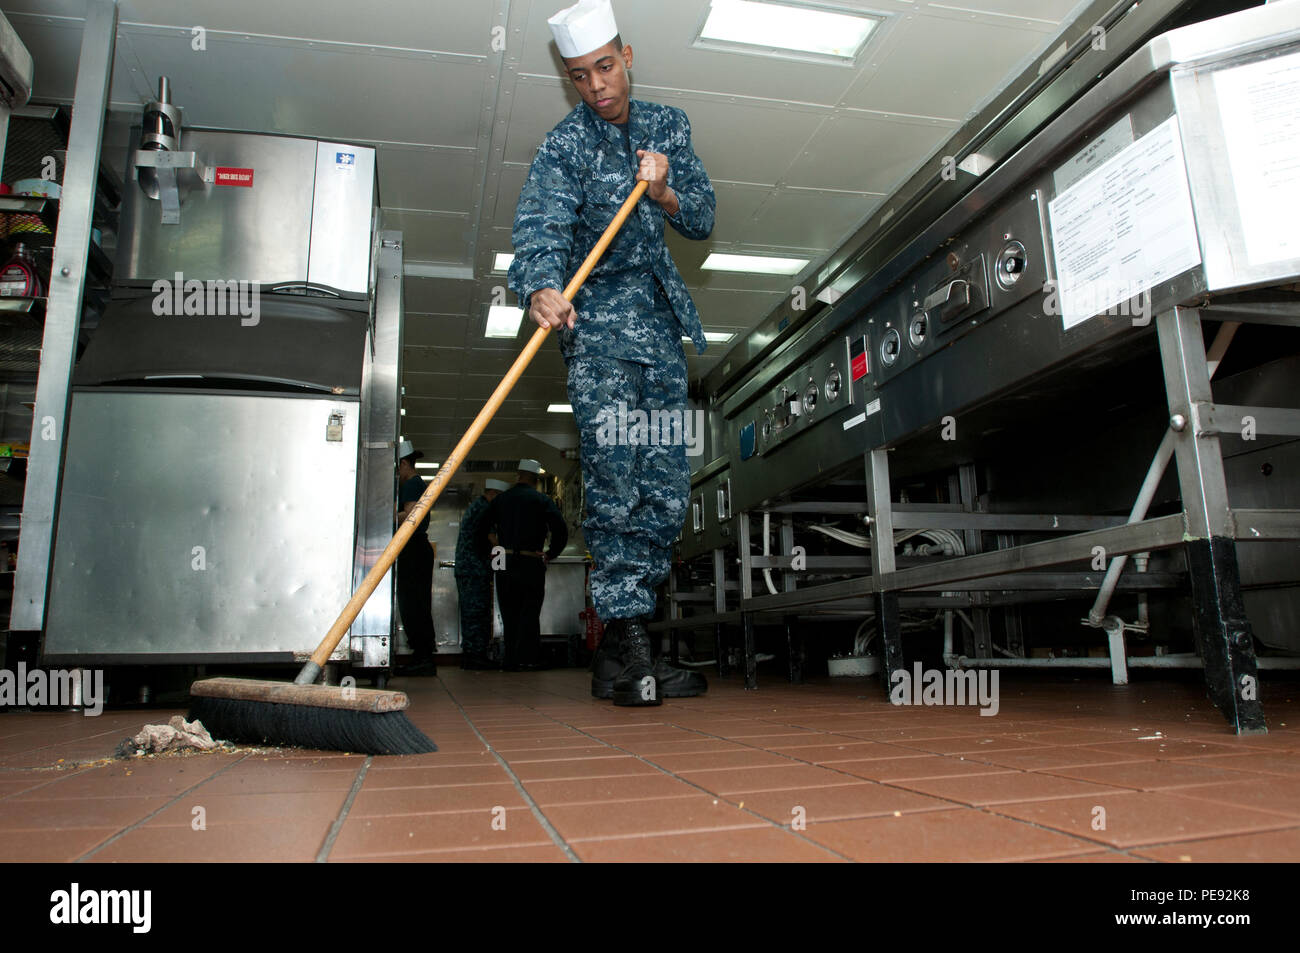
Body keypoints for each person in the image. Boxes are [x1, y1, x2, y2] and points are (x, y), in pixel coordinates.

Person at [509, 0, 707, 705]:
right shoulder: (565, 147)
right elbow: (541, 226)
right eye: (578, 76)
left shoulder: (668, 126)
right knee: (615, 478)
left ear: (627, 57)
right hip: (597, 333)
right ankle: (627, 644)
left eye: (603, 67)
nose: (595, 86)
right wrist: (540, 286)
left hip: (660, 330)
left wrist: (665, 191)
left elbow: (703, 215)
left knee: (665, 484)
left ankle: (627, 644)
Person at [477, 460, 568, 670]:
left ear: (518, 476)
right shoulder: (542, 500)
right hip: (531, 560)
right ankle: (528, 658)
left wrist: (489, 554)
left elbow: (481, 528)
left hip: (504, 559)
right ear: (536, 480)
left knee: (508, 612)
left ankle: (510, 659)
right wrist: (550, 554)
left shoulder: (501, 500)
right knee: (530, 611)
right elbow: (560, 530)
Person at [454, 478, 510, 669]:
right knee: (477, 613)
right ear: (493, 494)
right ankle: (475, 656)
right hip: (474, 570)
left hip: (469, 569)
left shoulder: (476, 506)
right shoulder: (485, 509)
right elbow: (493, 540)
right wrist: (506, 555)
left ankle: (470, 655)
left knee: (470, 612)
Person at [395, 440, 437, 676]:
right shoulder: (415, 484)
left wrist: (386, 514)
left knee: (413, 604)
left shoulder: (412, 484)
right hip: (416, 548)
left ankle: (423, 657)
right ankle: (422, 656)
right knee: (416, 602)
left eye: (396, 468)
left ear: (403, 464)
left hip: (413, 548)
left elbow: (410, 515)